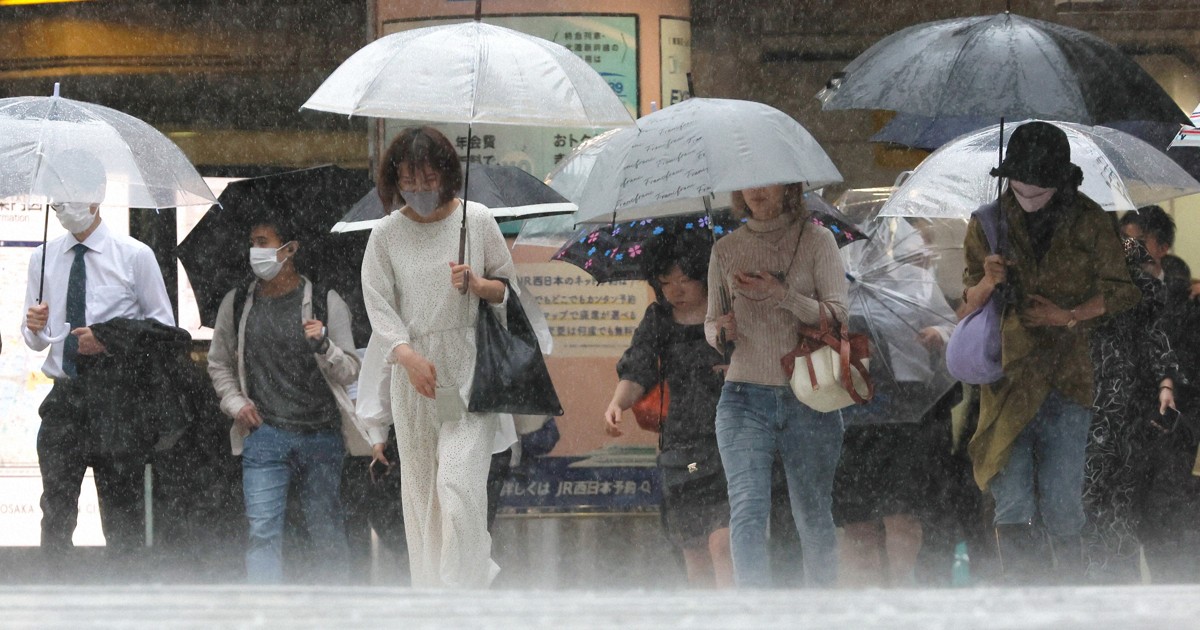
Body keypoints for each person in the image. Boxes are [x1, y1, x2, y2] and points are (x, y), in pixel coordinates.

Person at [962, 121, 1139, 583]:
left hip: (1067, 378)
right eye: (1021, 181)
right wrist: (987, 280)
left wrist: (1071, 315)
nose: (1029, 191)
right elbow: (965, 304)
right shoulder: (987, 223)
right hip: (1007, 379)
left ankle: (1070, 601)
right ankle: (1026, 602)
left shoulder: (1090, 219)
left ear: (1062, 180)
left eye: (1041, 184)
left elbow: (1122, 291)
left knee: (1063, 505)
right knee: (1013, 500)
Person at [358, 126, 517, 588]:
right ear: (394, 180)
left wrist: (477, 284)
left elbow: (508, 291)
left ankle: (467, 579)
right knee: (424, 494)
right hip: (416, 377)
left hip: (468, 370)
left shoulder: (478, 220)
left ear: (447, 174)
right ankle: (434, 598)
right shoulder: (385, 235)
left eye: (429, 178)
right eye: (409, 180)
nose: (421, 189)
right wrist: (406, 356)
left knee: (459, 485)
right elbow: (378, 304)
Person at [21, 157, 175, 566]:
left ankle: (123, 604)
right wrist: (33, 325)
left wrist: (108, 339)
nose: (61, 208)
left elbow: (165, 331)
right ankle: (54, 596)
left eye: (69, 198)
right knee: (55, 508)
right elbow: (35, 340)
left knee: (121, 513)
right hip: (65, 398)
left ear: (95, 199)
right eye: (56, 201)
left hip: (118, 400)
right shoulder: (43, 257)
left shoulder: (133, 255)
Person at [705, 182, 849, 588]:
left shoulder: (817, 240)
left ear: (789, 185)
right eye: (746, 181)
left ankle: (821, 613)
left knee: (814, 515)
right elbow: (710, 322)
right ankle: (755, 614)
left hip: (811, 394)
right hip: (743, 396)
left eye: (766, 178)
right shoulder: (724, 249)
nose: (755, 190)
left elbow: (839, 318)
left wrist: (783, 294)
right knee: (748, 509)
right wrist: (720, 331)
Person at [207, 213, 362, 583]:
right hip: (264, 435)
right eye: (252, 242)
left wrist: (324, 345)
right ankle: (267, 614)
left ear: (289, 249)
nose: (254, 251)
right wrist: (236, 404)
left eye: (263, 242)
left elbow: (351, 370)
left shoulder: (326, 300)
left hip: (321, 434)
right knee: (262, 532)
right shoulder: (237, 302)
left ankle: (337, 612)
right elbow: (219, 364)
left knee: (325, 528)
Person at [604, 230, 733, 588]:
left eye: (685, 280)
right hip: (683, 445)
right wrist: (617, 403)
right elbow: (638, 368)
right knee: (692, 544)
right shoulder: (658, 319)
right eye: (665, 282)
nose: (675, 290)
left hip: (731, 436)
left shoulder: (731, 311)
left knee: (724, 541)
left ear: (705, 276)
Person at [1081, 236, 1179, 583]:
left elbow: (1157, 337)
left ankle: (1111, 579)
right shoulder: (1082, 284)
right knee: (1100, 492)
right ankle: (1103, 577)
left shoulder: (1135, 286)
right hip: (1095, 404)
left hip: (1117, 406)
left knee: (1112, 492)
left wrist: (1165, 383)